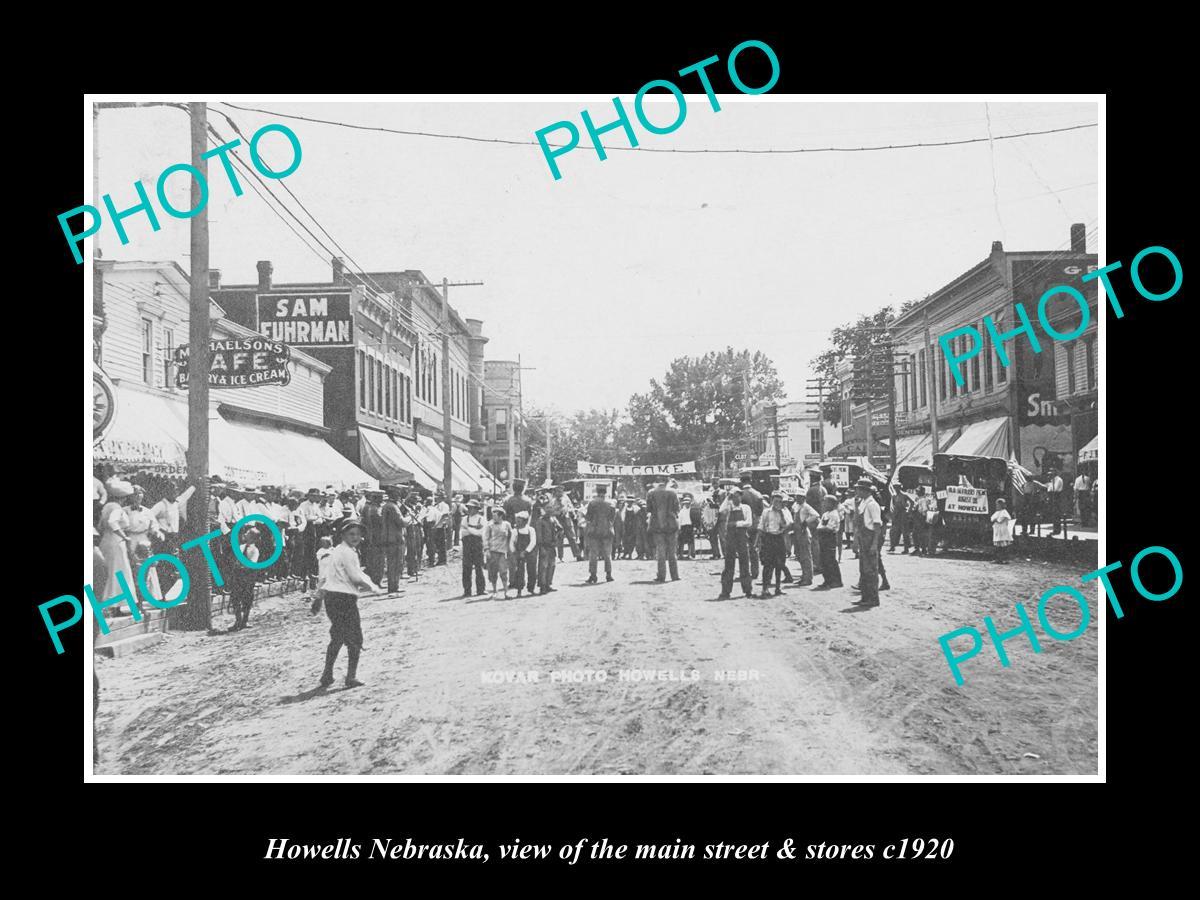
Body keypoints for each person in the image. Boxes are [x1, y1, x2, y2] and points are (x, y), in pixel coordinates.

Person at [315, 519, 379, 689]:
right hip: (344, 599)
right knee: (355, 638)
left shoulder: (335, 551)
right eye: (351, 534)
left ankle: (327, 675)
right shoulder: (348, 553)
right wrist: (373, 588)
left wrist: (319, 596)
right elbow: (356, 577)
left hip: (332, 599)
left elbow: (324, 577)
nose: (355, 537)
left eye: (358, 534)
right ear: (342, 535)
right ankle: (350, 677)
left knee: (337, 636)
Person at [97, 480, 134, 608]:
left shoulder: (106, 507)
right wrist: (124, 536)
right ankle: (115, 602)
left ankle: (108, 599)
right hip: (116, 542)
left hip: (106, 540)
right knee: (119, 570)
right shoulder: (117, 509)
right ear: (122, 498)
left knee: (110, 570)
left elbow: (101, 525)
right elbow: (113, 522)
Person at [717, 488, 754, 599]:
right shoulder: (728, 508)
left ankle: (748, 590)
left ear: (741, 497)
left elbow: (749, 522)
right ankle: (726, 591)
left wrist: (736, 524)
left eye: (738, 496)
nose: (736, 498)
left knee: (744, 563)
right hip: (731, 538)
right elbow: (720, 510)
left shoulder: (746, 508)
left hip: (742, 536)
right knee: (729, 564)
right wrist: (728, 497)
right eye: (734, 496)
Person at [851, 478, 882, 608]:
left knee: (871, 571)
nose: (856, 491)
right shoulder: (863, 503)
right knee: (863, 570)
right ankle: (865, 597)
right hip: (863, 539)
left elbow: (877, 525)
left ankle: (873, 599)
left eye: (858, 488)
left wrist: (875, 544)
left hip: (870, 539)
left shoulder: (872, 504)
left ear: (864, 490)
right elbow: (857, 522)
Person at [757, 491, 792, 597]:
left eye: (780, 502)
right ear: (772, 501)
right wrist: (758, 542)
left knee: (779, 564)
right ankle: (765, 588)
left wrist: (781, 513)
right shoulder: (766, 512)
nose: (777, 503)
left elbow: (787, 525)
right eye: (776, 501)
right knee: (767, 564)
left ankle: (778, 587)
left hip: (779, 538)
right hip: (768, 538)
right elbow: (761, 526)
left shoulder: (784, 512)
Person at [646, 478, 680, 582]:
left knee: (660, 551)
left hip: (657, 525)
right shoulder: (673, 492)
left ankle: (661, 576)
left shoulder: (651, 492)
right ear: (667, 481)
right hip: (671, 524)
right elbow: (677, 508)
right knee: (672, 551)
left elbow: (649, 509)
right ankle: (675, 576)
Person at [228, 525, 261, 631]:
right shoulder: (241, 547)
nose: (245, 534)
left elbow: (251, 564)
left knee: (247, 599)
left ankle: (244, 621)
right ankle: (238, 620)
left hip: (247, 577)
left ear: (252, 537)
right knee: (235, 598)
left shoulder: (254, 550)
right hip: (237, 575)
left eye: (248, 534)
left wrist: (241, 566)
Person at [585, 484, 617, 583]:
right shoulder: (611, 503)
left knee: (593, 554)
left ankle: (593, 575)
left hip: (594, 531)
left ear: (597, 492)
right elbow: (613, 518)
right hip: (607, 530)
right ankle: (609, 575)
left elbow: (588, 518)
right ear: (605, 492)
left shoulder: (592, 503)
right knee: (608, 554)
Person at [379, 487, 406, 592]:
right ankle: (394, 587)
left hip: (390, 538)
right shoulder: (392, 507)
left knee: (393, 564)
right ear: (394, 495)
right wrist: (410, 519)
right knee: (395, 564)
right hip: (395, 539)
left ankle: (393, 586)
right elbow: (401, 522)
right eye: (397, 494)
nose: (399, 496)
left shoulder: (387, 506)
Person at [814, 496, 843, 589]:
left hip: (830, 538)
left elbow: (829, 528)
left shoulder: (834, 514)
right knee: (823, 560)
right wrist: (821, 528)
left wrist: (821, 528)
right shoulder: (826, 514)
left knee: (830, 560)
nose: (824, 504)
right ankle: (827, 580)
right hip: (823, 538)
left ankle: (836, 581)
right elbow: (819, 526)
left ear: (832, 503)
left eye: (826, 502)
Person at [484, 508, 514, 598]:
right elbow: (485, 538)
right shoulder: (490, 525)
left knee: (503, 572)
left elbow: (511, 537)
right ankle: (494, 591)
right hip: (493, 551)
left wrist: (510, 549)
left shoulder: (507, 525)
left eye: (495, 515)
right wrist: (486, 550)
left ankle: (506, 592)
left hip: (503, 551)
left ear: (501, 516)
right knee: (493, 572)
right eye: (492, 515)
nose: (493, 517)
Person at [509, 510, 538, 597]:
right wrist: (514, 552)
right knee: (519, 572)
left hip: (530, 552)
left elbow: (533, 541)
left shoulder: (530, 530)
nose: (517, 522)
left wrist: (526, 551)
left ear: (525, 521)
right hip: (519, 552)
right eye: (517, 520)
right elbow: (511, 542)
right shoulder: (515, 531)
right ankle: (519, 590)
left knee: (532, 570)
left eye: (519, 520)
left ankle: (531, 588)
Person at [740, 477, 764, 579]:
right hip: (756, 524)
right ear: (750, 481)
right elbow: (761, 511)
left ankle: (745, 572)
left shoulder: (740, 495)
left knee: (743, 549)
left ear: (742, 482)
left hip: (744, 524)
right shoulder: (758, 494)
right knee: (754, 548)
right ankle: (755, 572)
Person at [534, 503, 562, 594]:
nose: (549, 509)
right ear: (543, 509)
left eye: (551, 507)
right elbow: (539, 536)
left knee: (552, 566)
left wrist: (557, 536)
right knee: (543, 567)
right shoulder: (540, 521)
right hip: (544, 546)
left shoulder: (553, 519)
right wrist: (541, 547)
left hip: (552, 546)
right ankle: (542, 586)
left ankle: (548, 584)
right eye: (547, 508)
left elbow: (560, 528)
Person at [461, 500, 487, 597]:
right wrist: (473, 530)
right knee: (466, 567)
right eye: (468, 508)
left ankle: (481, 589)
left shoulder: (482, 519)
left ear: (477, 509)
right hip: (467, 545)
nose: (469, 509)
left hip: (477, 545)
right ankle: (467, 590)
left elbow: (480, 533)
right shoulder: (465, 519)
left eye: (472, 508)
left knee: (478, 567)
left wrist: (469, 529)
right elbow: (463, 532)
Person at [792, 494, 819, 586]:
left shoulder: (806, 507)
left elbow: (816, 515)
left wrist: (806, 522)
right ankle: (804, 576)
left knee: (806, 556)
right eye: (797, 497)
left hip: (803, 533)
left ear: (804, 498)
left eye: (800, 497)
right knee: (799, 555)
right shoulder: (796, 506)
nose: (797, 498)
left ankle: (808, 578)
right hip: (796, 532)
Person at [361, 490, 385, 585]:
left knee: (375, 560)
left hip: (374, 536)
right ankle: (376, 580)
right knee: (377, 560)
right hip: (376, 537)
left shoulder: (372, 507)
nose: (382, 499)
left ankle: (375, 579)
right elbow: (380, 522)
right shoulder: (373, 509)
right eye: (380, 498)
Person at [888, 487, 912, 554]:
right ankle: (892, 546)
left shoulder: (904, 495)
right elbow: (892, 505)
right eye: (895, 488)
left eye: (897, 487)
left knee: (905, 532)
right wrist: (892, 513)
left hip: (903, 514)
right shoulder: (894, 496)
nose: (896, 489)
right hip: (896, 514)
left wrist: (908, 510)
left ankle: (906, 549)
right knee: (893, 531)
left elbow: (912, 502)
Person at [991, 498, 1014, 563]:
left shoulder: (1004, 512)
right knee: (998, 545)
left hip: (1002, 530)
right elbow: (992, 518)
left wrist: (995, 519)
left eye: (998, 505)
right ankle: (998, 559)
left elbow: (999, 520)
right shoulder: (997, 512)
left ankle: (1005, 559)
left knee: (1004, 545)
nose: (997, 506)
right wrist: (995, 519)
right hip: (997, 529)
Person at [1046, 468, 1065, 534]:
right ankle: (1055, 529)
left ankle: (1057, 530)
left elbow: (1055, 489)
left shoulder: (1058, 480)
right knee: (1053, 514)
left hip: (1056, 496)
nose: (1050, 475)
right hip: (1052, 496)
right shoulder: (1052, 480)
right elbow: (1049, 489)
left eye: (1051, 473)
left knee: (1056, 514)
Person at [677, 495, 695, 559]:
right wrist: (679, 528)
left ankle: (689, 554)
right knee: (681, 542)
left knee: (690, 542)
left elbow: (694, 519)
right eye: (686, 503)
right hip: (683, 527)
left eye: (688, 503)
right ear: (684, 504)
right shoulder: (682, 511)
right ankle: (681, 554)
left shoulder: (692, 511)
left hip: (690, 527)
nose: (687, 505)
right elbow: (679, 520)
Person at [702, 494, 720, 559]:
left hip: (713, 525)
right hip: (711, 525)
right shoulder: (710, 507)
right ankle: (716, 553)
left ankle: (716, 554)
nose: (708, 502)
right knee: (713, 540)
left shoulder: (715, 507)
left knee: (713, 539)